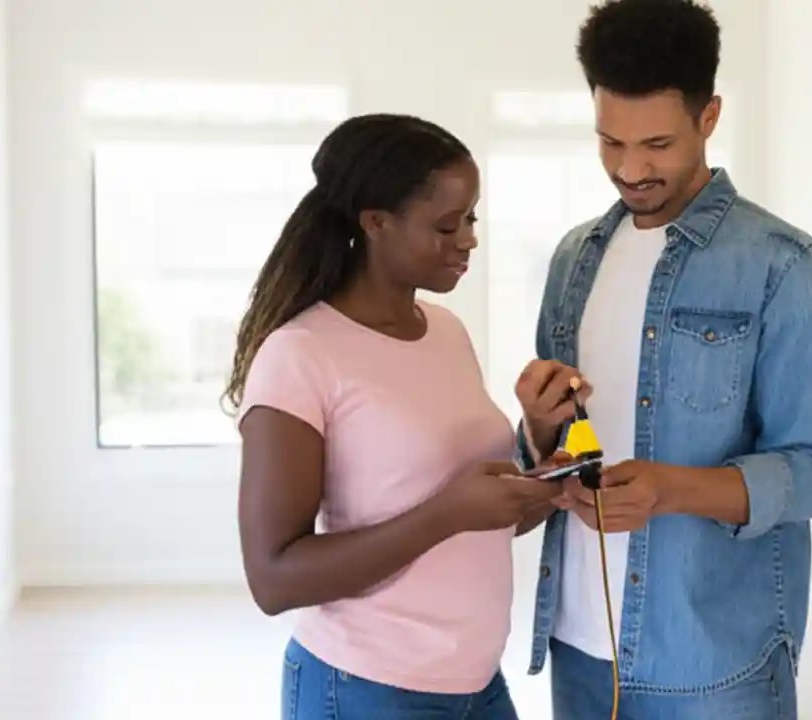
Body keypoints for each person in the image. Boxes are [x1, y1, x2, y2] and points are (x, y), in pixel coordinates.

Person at [514, 1, 812, 718]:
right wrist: (539, 428)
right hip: (579, 644)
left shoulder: (781, 264)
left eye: (657, 144)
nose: (630, 169)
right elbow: (562, 449)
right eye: (610, 142)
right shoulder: (574, 258)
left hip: (714, 659)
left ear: (710, 116)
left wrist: (670, 488)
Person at [226, 113, 564, 720]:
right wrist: (447, 512)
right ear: (376, 223)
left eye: (472, 219)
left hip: (478, 684)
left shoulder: (446, 331)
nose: (469, 239)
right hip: (366, 690)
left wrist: (537, 454)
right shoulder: (300, 355)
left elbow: (477, 519)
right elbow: (273, 579)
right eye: (446, 224)